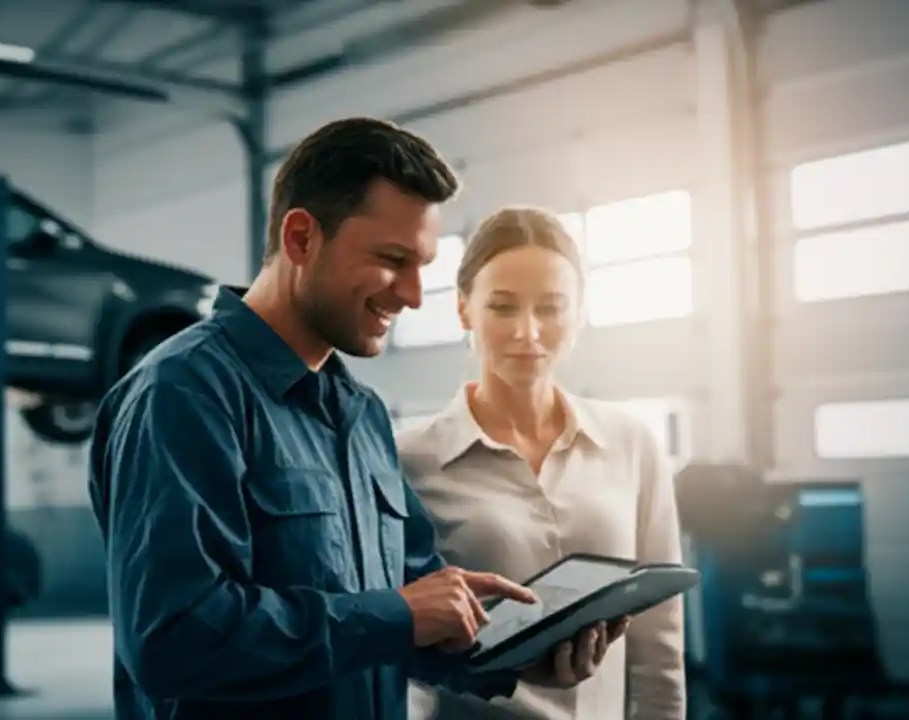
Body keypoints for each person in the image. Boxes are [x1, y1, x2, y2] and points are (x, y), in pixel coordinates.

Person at [87, 119, 627, 720]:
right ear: (300, 239)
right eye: (393, 260)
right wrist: (398, 614)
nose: (415, 295)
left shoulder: (362, 416)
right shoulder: (183, 393)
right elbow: (170, 640)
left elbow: (404, 624)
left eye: (423, 264)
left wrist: (512, 651)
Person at [397, 207, 687, 719]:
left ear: (578, 313)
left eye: (551, 308)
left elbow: (658, 642)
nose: (528, 332)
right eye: (503, 308)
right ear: (464, 309)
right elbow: (395, 643)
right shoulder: (407, 459)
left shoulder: (631, 443)